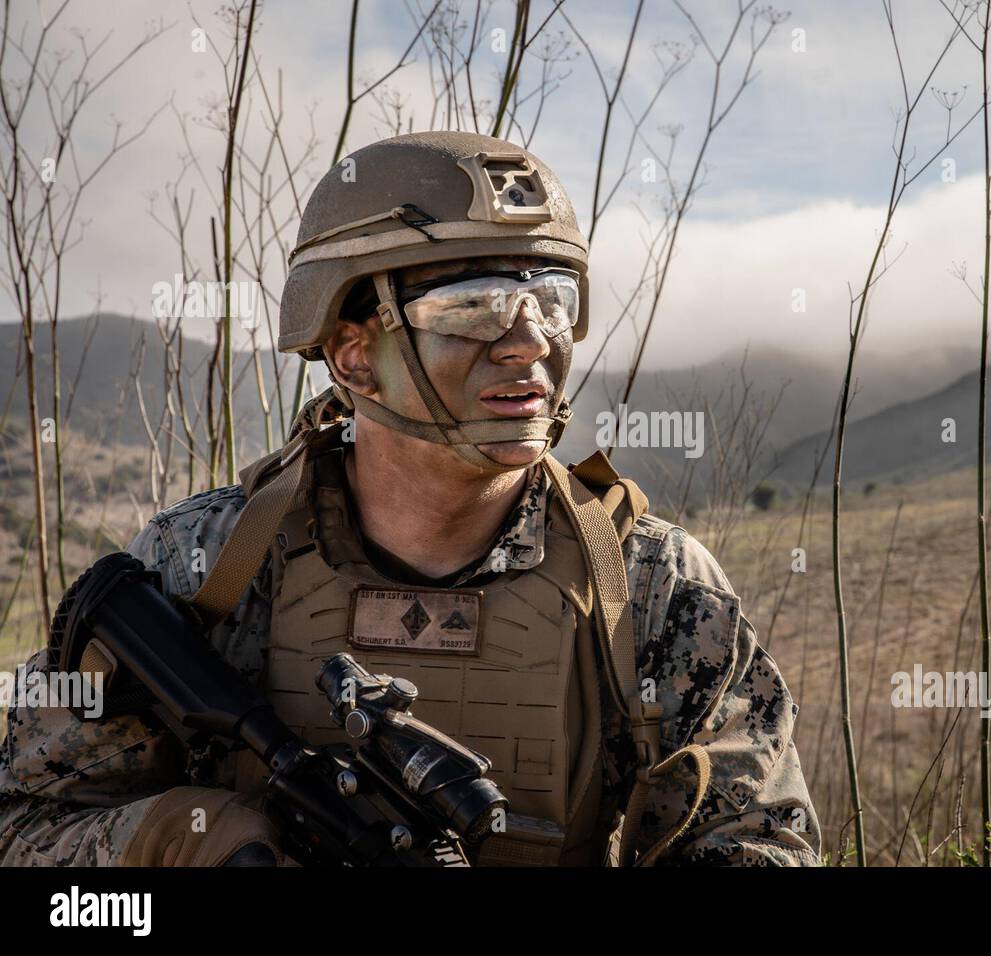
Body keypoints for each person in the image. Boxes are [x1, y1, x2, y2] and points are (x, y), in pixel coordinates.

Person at [0, 131, 820, 867]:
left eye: (552, 300)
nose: (531, 342)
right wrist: (192, 841)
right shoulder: (206, 567)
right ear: (354, 357)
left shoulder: (649, 586)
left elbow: (759, 842)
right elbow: (26, 829)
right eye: (474, 306)